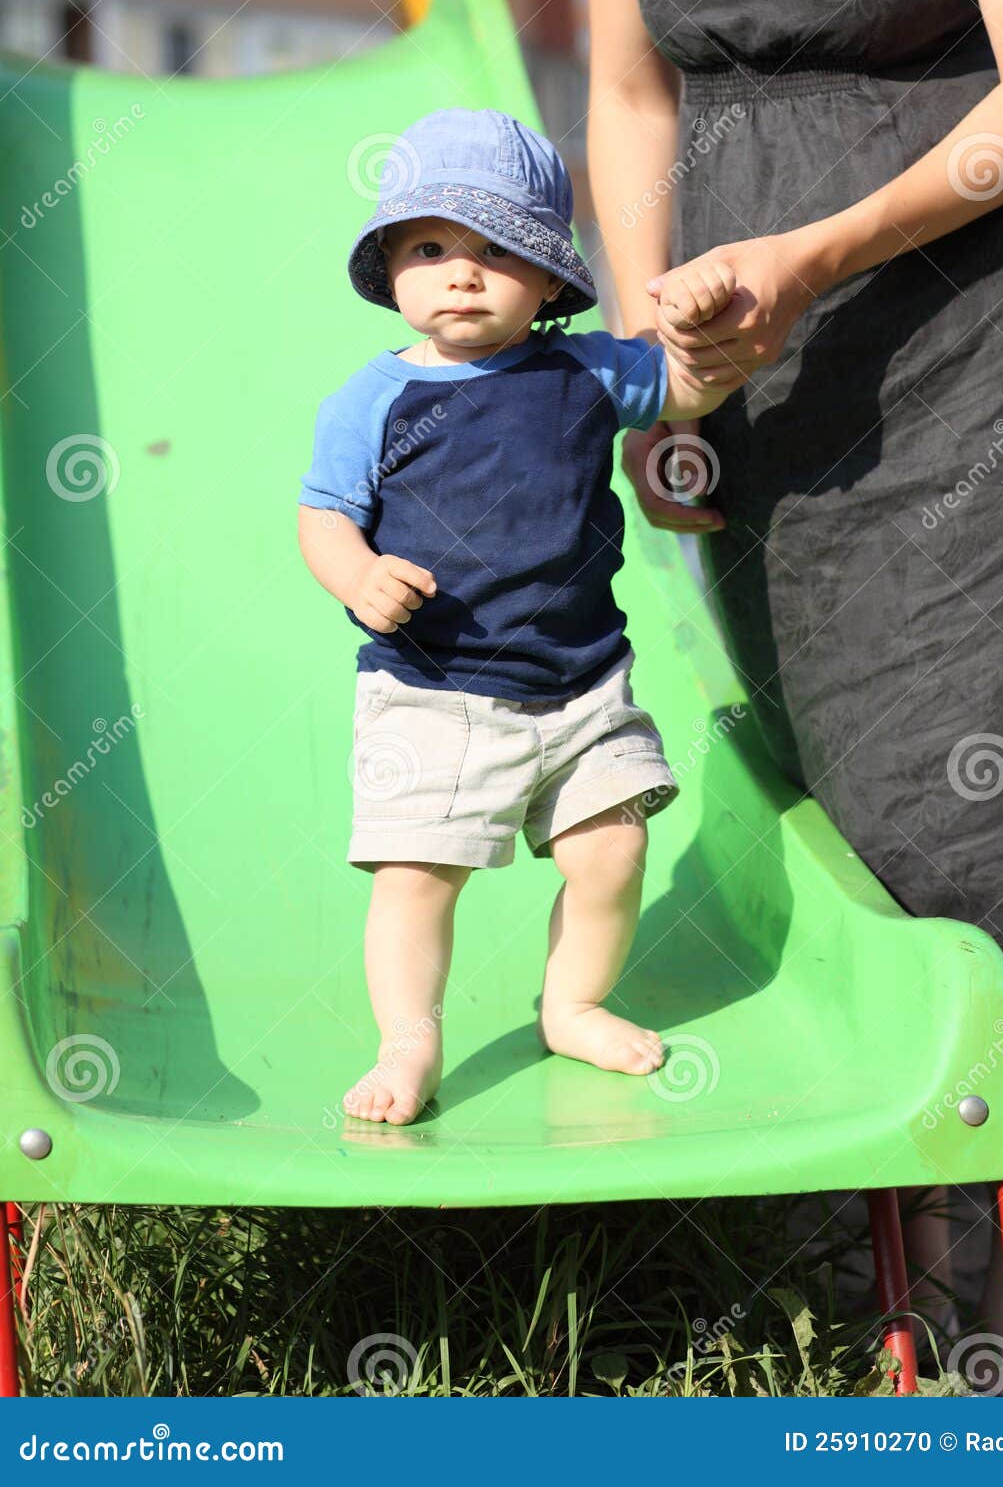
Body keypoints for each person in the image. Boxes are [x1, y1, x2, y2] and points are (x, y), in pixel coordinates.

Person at [566, 0, 1003, 1388]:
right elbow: (629, 92)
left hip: (974, 368)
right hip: (755, 389)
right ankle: (904, 1338)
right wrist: (653, 373)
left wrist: (815, 254)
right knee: (851, 828)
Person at [296, 106, 734, 1127]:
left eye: (495, 251)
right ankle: (407, 1041)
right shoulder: (372, 400)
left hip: (583, 684)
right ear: (390, 268)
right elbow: (322, 516)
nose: (461, 273)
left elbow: (689, 382)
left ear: (546, 280)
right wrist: (357, 577)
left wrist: (702, 318)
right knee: (416, 876)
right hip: (432, 689)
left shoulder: (586, 370)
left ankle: (571, 1003)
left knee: (611, 852)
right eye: (430, 249)